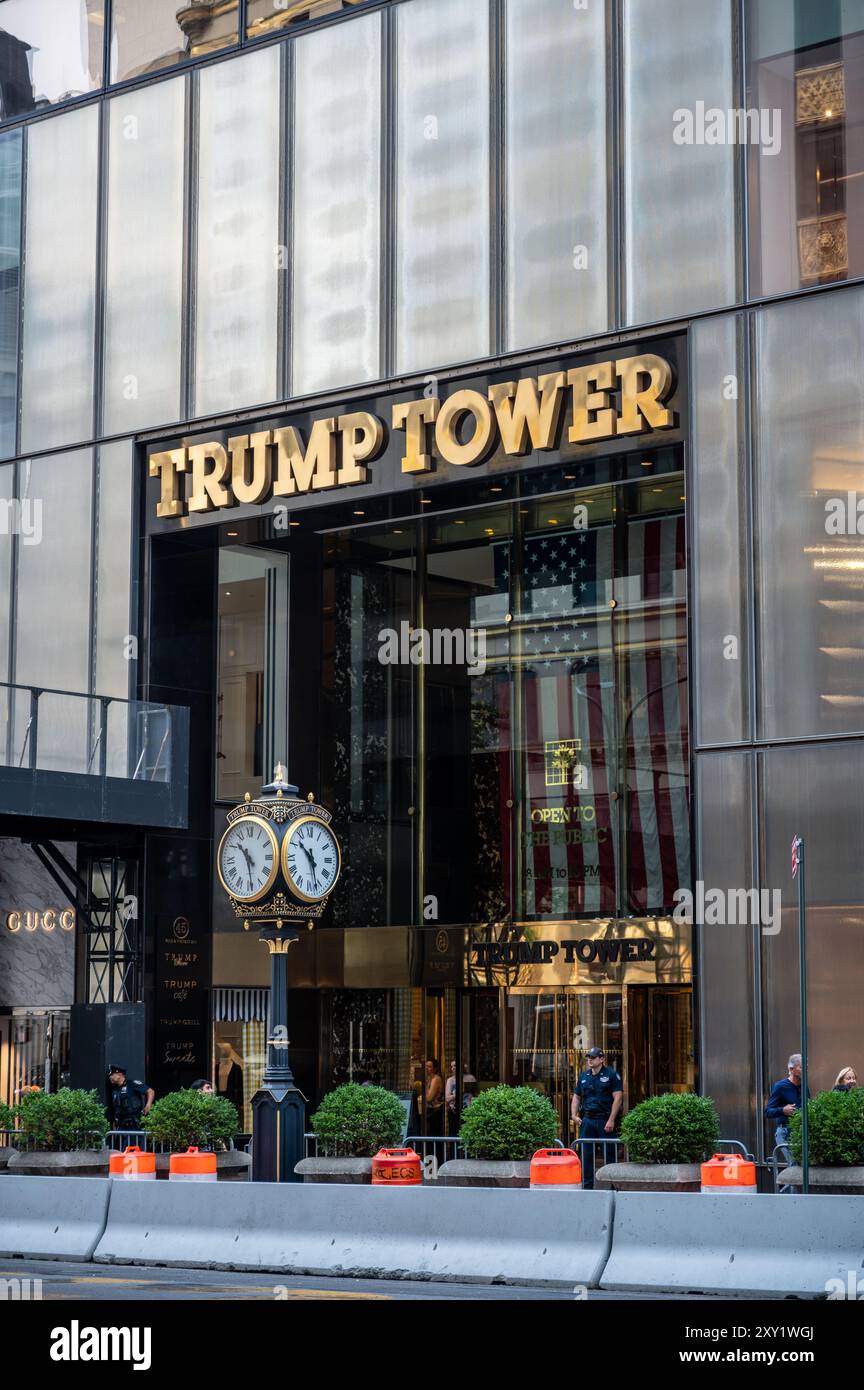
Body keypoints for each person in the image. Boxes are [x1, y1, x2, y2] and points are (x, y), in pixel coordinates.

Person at [571, 1047, 622, 1190]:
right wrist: (574, 1115)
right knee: (586, 1156)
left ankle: (613, 1188)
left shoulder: (611, 1075)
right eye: (588, 1057)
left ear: (601, 1059)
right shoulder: (584, 1076)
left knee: (609, 1155)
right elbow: (576, 1097)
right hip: (587, 1120)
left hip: (604, 1120)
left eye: (593, 1057)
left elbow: (618, 1098)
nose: (589, 1060)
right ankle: (587, 1188)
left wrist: (611, 1119)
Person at [764, 1052, 809, 1164]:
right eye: (801, 1067)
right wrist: (783, 1110)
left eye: (806, 1067)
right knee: (794, 1166)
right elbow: (767, 1112)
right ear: (791, 1069)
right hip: (784, 1132)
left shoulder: (804, 1086)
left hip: (800, 1133)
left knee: (801, 1167)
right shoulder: (780, 1086)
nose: (805, 1070)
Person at [108, 1065, 154, 1131]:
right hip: (121, 1125)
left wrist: (148, 1105)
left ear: (119, 1075)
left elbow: (150, 1091)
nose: (110, 1077)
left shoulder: (132, 1084)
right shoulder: (115, 1090)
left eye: (112, 1075)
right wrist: (115, 1121)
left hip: (134, 1124)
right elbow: (116, 1107)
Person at [425, 1058, 444, 1136]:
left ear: (435, 1068)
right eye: (426, 1066)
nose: (426, 1068)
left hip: (435, 1111)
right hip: (431, 1109)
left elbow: (429, 1097)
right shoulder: (429, 1078)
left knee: (433, 1134)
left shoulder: (435, 1079)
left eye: (429, 1066)